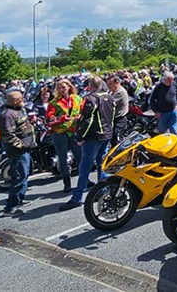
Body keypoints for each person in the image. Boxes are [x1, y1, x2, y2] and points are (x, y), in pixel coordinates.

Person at [59, 76, 115, 211]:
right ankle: (102, 192)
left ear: (90, 86)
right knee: (102, 164)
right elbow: (112, 117)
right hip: (106, 134)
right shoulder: (109, 97)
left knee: (85, 167)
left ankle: (77, 198)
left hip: (93, 136)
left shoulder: (91, 99)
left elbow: (87, 120)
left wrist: (79, 136)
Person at [0, 90, 36, 215]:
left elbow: (21, 126)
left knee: (24, 175)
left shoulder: (18, 110)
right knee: (19, 177)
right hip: (18, 151)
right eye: (20, 99)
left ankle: (19, 199)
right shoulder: (7, 115)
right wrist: (22, 145)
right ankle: (10, 207)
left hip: (25, 149)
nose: (22, 100)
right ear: (14, 101)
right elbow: (7, 135)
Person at [47, 80, 83, 193]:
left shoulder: (77, 99)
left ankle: (84, 179)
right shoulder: (54, 103)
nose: (62, 90)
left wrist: (79, 117)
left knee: (80, 156)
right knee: (62, 158)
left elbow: (84, 111)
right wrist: (61, 119)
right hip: (60, 132)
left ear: (69, 87)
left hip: (73, 131)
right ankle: (66, 183)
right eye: (59, 88)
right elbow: (49, 119)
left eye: (63, 87)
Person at [106, 75, 130, 145]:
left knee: (115, 138)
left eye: (110, 84)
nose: (108, 86)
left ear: (116, 83)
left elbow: (109, 104)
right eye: (107, 84)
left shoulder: (120, 92)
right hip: (112, 119)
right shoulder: (111, 91)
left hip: (119, 119)